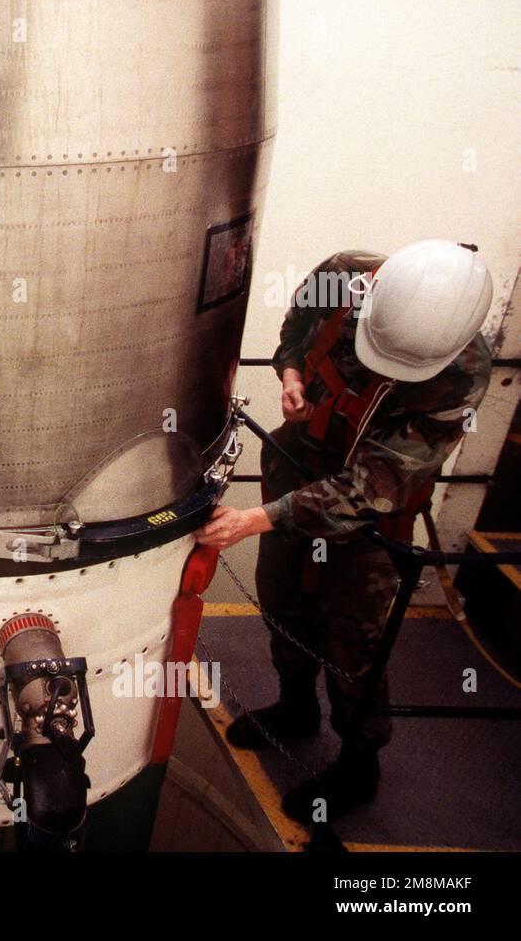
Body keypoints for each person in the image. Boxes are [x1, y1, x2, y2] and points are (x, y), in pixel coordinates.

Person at [195, 241, 493, 823]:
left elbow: (372, 486)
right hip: (296, 473)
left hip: (370, 520)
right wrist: (292, 375)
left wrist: (256, 520)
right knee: (282, 601)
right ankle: (296, 707)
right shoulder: (344, 275)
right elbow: (297, 325)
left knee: (352, 645)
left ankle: (360, 762)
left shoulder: (460, 376)